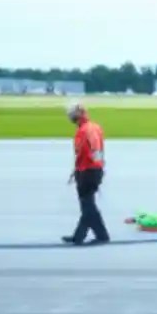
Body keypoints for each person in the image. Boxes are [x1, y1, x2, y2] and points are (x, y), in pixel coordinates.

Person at [62, 103, 110, 246]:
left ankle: (101, 236)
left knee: (88, 206)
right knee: (87, 205)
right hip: (89, 169)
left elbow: (94, 149)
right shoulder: (92, 127)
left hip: (88, 171)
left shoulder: (86, 130)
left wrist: (93, 168)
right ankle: (79, 236)